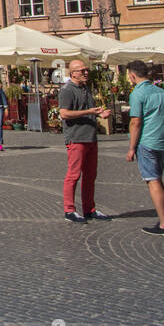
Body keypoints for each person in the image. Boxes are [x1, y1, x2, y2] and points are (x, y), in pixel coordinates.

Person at [58, 59, 113, 224]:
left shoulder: (86, 88)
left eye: (86, 70)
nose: (86, 73)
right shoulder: (67, 90)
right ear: (72, 73)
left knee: (90, 176)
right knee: (73, 175)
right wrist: (89, 111)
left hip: (90, 137)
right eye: (82, 71)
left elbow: (87, 110)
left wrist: (98, 114)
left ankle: (89, 208)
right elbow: (64, 113)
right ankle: (69, 210)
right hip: (76, 138)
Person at [127, 60, 164, 237]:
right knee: (157, 179)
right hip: (162, 140)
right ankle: (163, 220)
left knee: (153, 181)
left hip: (146, 142)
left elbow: (136, 122)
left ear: (132, 75)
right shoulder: (162, 92)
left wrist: (131, 148)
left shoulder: (138, 93)